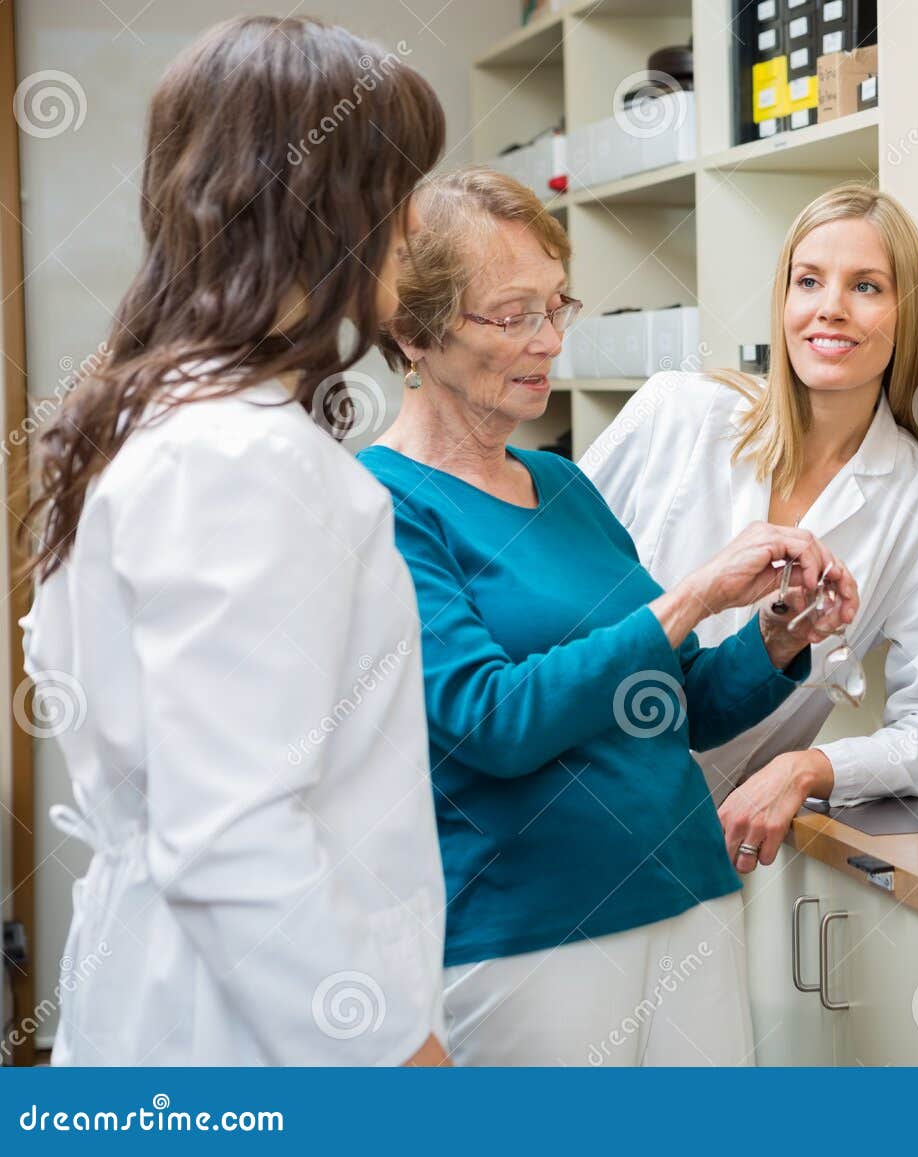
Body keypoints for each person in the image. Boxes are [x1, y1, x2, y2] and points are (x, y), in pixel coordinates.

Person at [18, 17, 451, 1065]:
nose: (412, 233)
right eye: (399, 194)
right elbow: (232, 839)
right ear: (331, 209)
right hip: (258, 1030)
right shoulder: (239, 459)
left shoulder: (152, 414)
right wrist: (400, 1056)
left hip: (184, 998)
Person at [359, 166, 859, 1065]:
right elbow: (491, 720)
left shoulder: (560, 484)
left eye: (558, 306)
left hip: (689, 894)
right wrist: (695, 595)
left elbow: (673, 704)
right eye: (513, 315)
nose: (549, 340)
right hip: (531, 937)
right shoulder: (386, 504)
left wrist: (775, 635)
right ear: (413, 332)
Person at [581, 184, 918, 868]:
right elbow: (543, 570)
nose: (830, 306)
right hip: (560, 793)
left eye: (866, 285)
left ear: (906, 314)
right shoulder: (675, 413)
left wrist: (807, 768)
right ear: (784, 301)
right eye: (809, 281)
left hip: (698, 845)